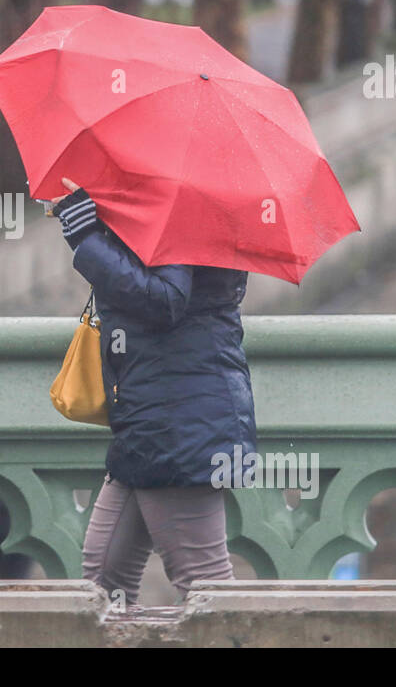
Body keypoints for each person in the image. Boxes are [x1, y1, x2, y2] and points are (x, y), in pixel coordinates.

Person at [48, 177, 256, 606]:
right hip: (152, 416)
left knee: (207, 588)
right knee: (104, 578)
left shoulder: (182, 199)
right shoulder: (170, 194)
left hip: (177, 420)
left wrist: (87, 239)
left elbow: (164, 300)